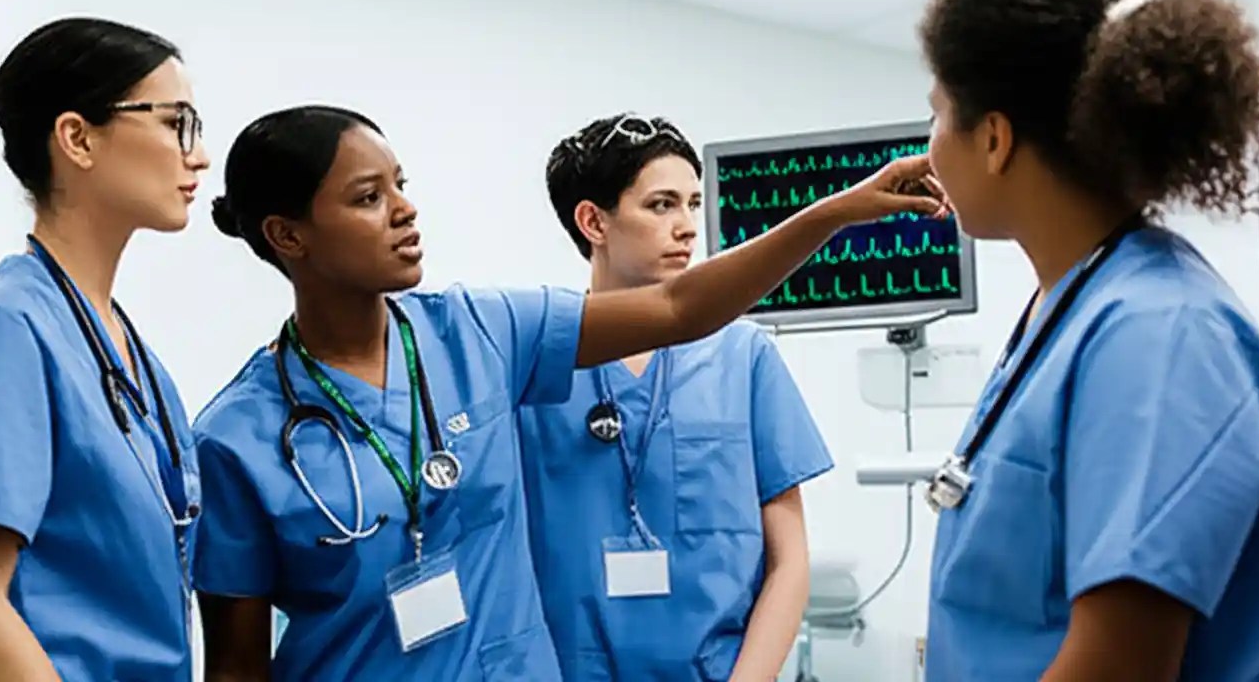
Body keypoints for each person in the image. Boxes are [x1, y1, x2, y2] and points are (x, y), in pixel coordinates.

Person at [191, 103, 944, 681]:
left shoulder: (484, 333)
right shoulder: (238, 436)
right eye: (367, 197)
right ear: (288, 236)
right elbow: (233, 666)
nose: (405, 209)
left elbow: (683, 309)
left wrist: (840, 210)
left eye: (401, 186)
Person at [917, 0, 1259, 679]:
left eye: (935, 111)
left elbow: (1119, 667)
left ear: (993, 138)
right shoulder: (1076, 306)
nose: (928, 143)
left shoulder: (1161, 334)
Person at [515, 112, 832, 681]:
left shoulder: (742, 356)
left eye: (692, 202)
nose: (687, 225)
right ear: (593, 221)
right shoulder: (534, 363)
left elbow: (790, 559)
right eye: (662, 205)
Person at [0, 17, 210, 681]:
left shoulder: (129, 351)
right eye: (177, 124)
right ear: (77, 138)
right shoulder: (13, 327)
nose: (197, 155)